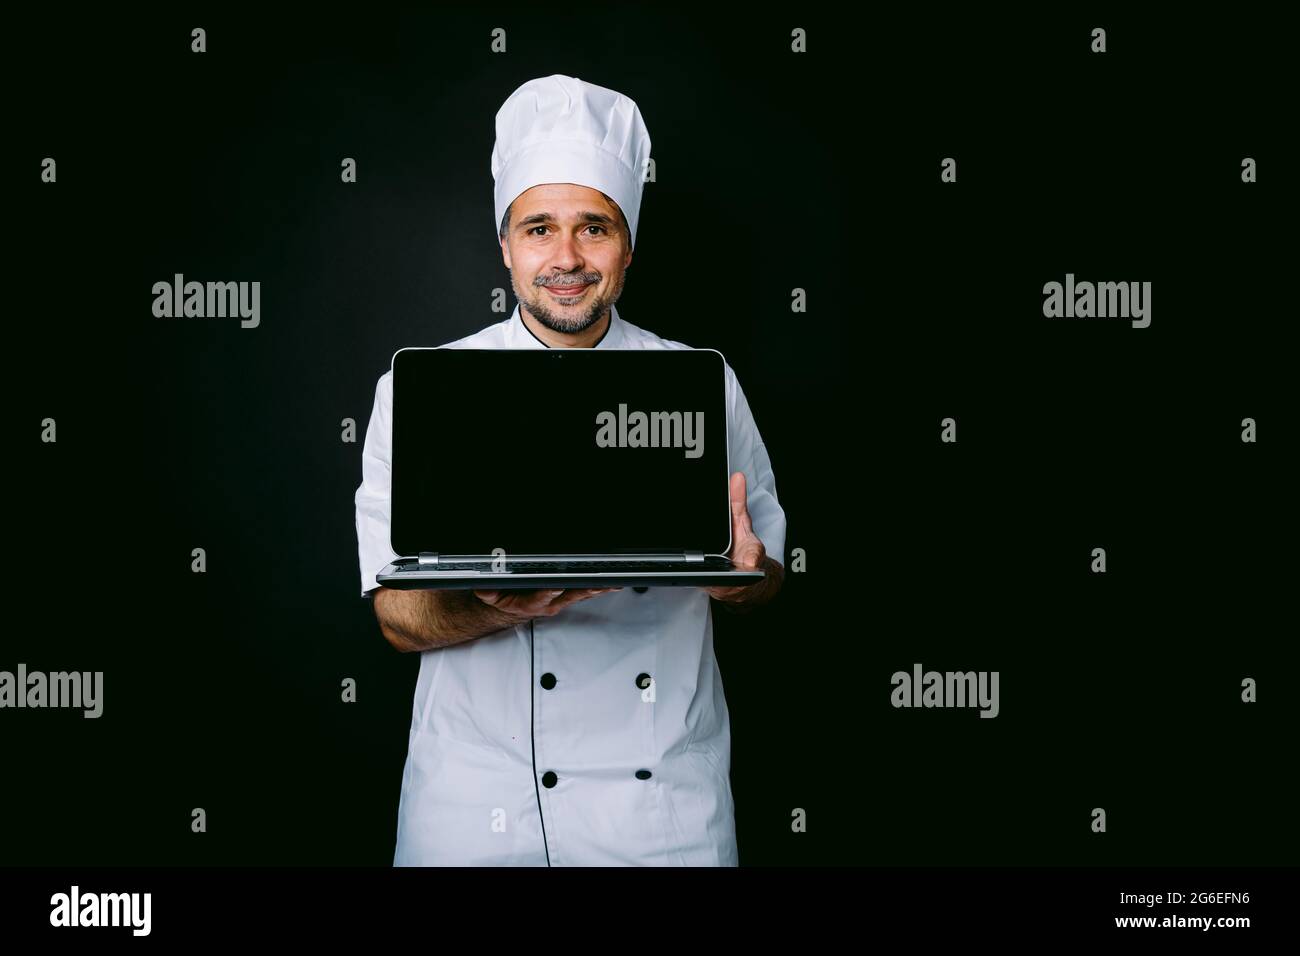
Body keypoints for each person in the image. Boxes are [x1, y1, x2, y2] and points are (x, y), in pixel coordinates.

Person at [354, 74, 786, 865]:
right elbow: (395, 615)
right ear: (505, 246)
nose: (565, 259)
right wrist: (503, 607)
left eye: (594, 229)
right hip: (474, 812)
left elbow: (766, 580)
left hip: (661, 825)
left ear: (629, 245)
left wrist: (741, 577)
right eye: (539, 228)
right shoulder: (421, 393)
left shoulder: (700, 381)